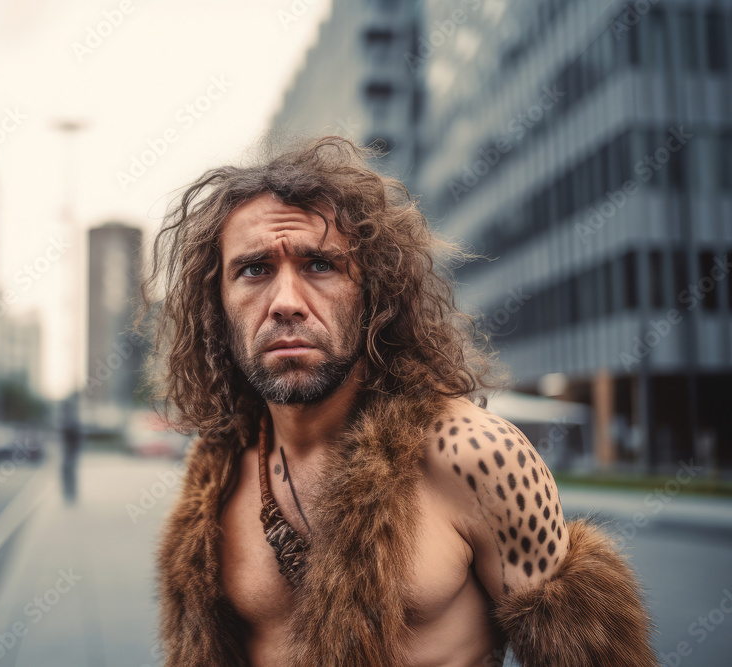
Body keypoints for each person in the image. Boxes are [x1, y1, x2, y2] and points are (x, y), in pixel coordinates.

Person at [137, 137, 656, 666]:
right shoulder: (219, 475)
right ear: (217, 306)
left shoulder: (475, 454)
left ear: (373, 294)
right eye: (254, 270)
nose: (287, 303)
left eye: (320, 265)